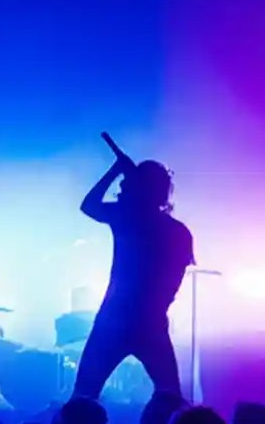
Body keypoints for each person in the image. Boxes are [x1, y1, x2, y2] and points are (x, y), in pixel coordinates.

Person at [71, 141, 194, 400]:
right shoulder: (178, 232)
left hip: (113, 320)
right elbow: (172, 286)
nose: (122, 188)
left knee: (83, 396)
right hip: (151, 322)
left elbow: (89, 205)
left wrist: (117, 169)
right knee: (171, 397)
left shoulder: (126, 217)